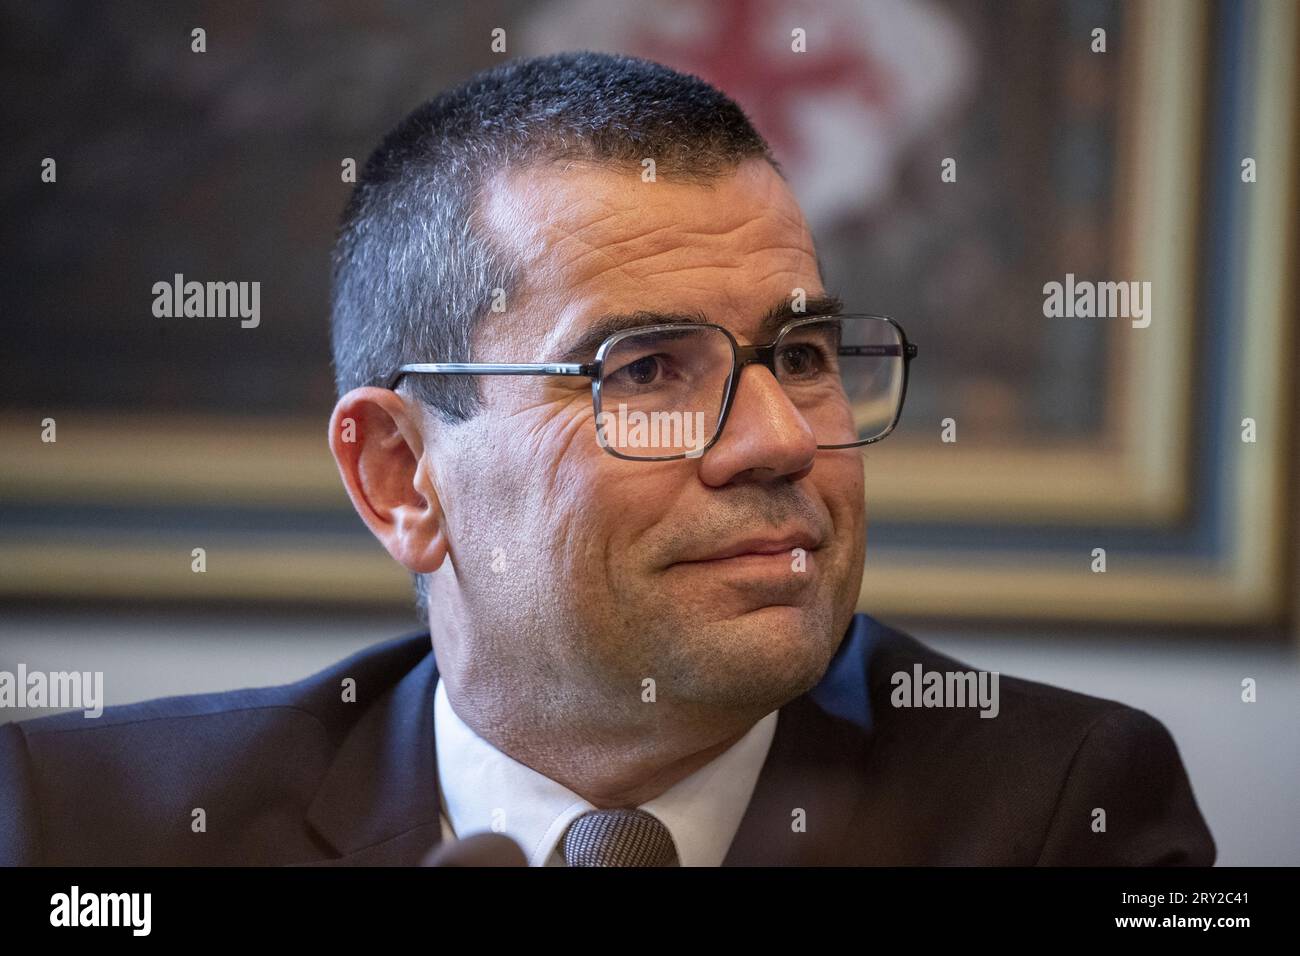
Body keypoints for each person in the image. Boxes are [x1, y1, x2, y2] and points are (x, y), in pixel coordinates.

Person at [0, 52, 1213, 866]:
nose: (782, 438)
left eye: (799, 353)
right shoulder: (91, 822)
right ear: (400, 478)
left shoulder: (1065, 808)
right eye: (641, 371)